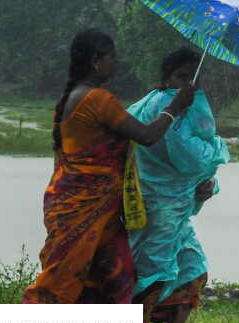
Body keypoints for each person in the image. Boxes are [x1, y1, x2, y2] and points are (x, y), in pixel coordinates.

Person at [22, 29, 195, 304]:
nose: (116, 63)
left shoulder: (70, 98)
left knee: (116, 279)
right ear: (96, 62)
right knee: (60, 286)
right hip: (83, 206)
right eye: (112, 57)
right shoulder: (97, 99)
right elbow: (146, 136)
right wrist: (174, 106)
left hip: (93, 208)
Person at [126, 47, 229, 323]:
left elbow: (194, 167)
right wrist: (216, 157)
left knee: (191, 272)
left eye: (194, 78)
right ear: (166, 78)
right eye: (181, 77)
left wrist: (207, 185)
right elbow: (190, 157)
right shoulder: (163, 105)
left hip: (176, 210)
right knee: (150, 279)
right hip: (158, 210)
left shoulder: (188, 105)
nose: (189, 84)